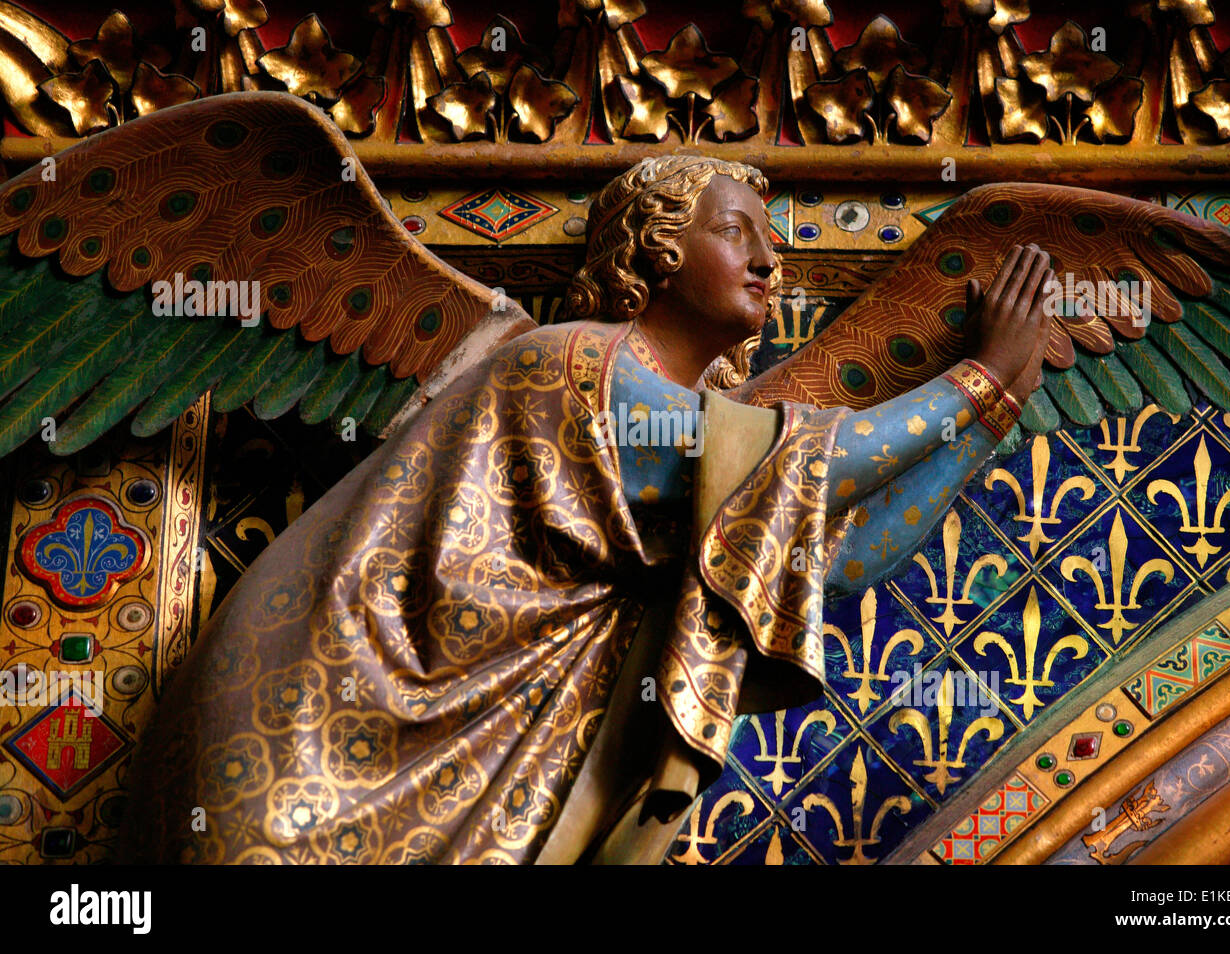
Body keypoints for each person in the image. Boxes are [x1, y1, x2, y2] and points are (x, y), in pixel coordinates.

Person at [117, 155, 1054, 864]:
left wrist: (1000, 402)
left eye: (775, 241)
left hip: (487, 778)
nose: (772, 259)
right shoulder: (564, 364)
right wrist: (973, 383)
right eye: (738, 232)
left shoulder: (725, 443)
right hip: (330, 759)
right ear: (658, 247)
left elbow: (837, 556)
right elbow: (804, 459)